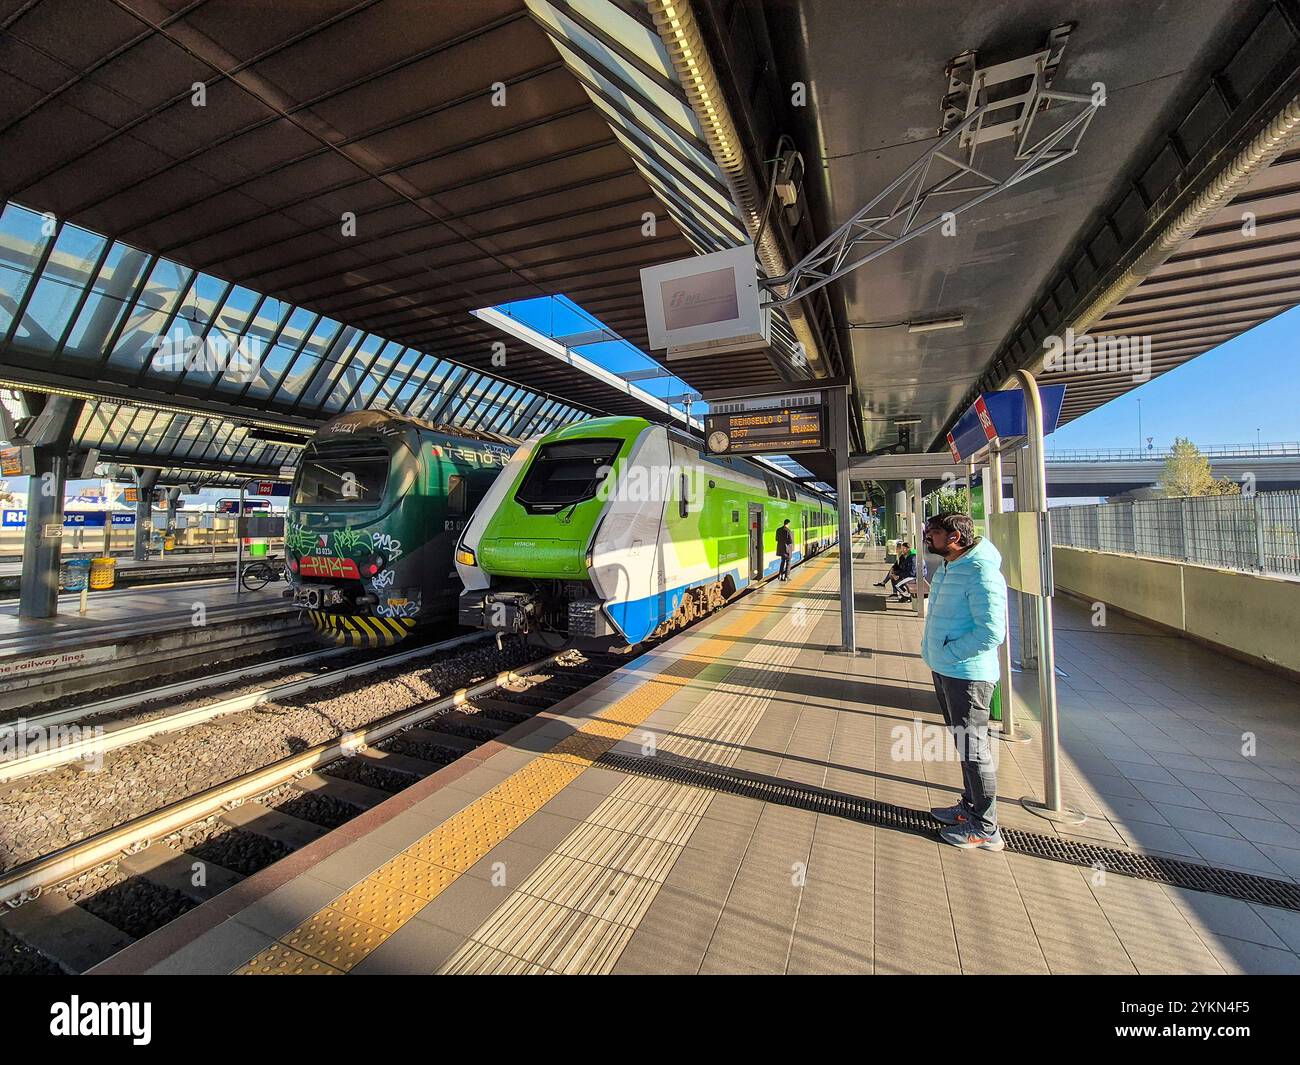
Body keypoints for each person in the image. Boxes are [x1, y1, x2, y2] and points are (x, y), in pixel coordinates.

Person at [920, 512, 1008, 851]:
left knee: (975, 750)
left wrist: (949, 653)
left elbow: (990, 632)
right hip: (947, 670)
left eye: (935, 533)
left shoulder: (980, 572)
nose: (928, 537)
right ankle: (970, 808)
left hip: (967, 676)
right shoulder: (950, 565)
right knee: (965, 745)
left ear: (956, 537)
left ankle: (986, 828)